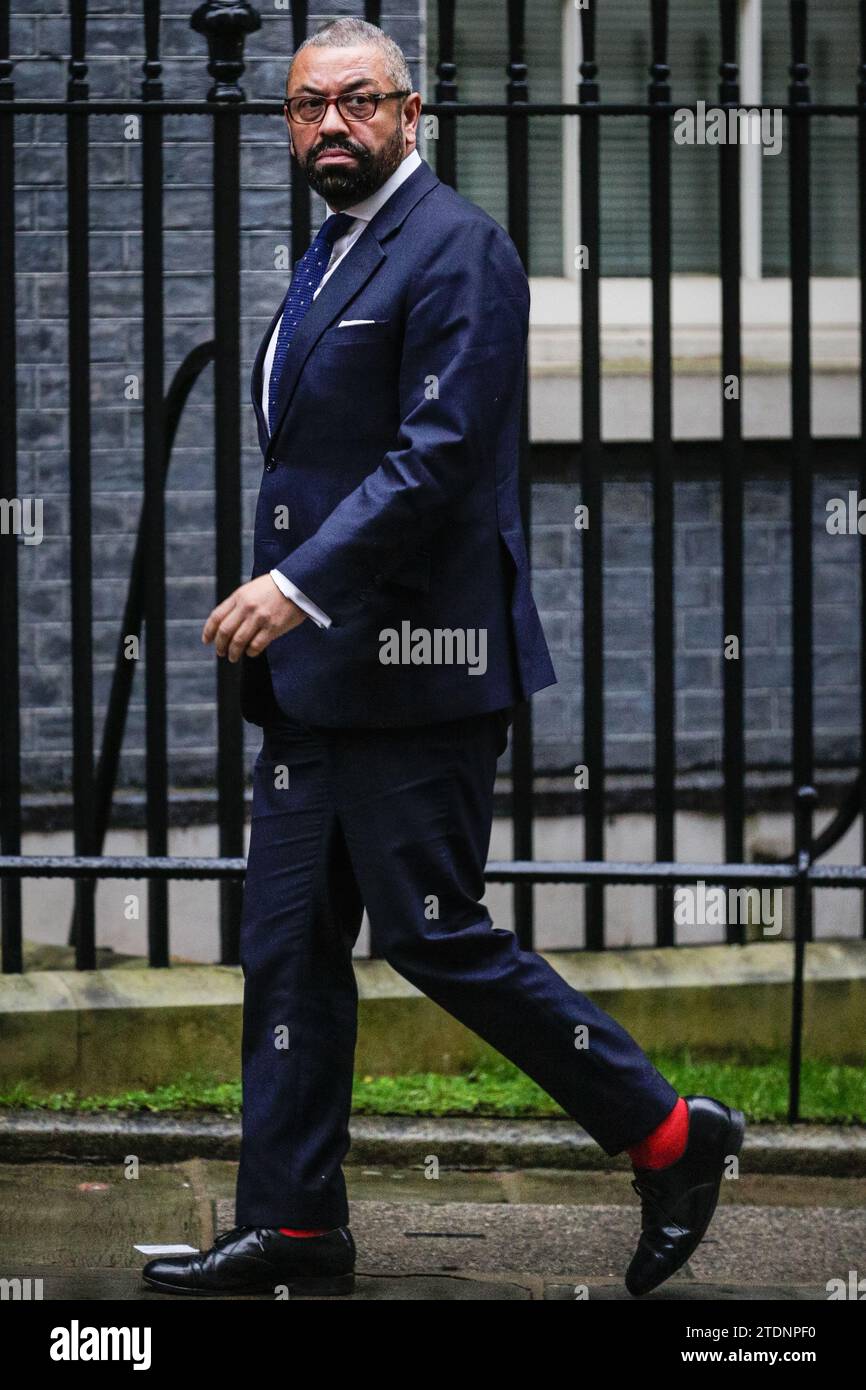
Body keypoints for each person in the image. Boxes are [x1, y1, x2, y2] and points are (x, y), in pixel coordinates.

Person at [142, 18, 744, 1300]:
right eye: (307, 108)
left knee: (435, 934)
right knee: (289, 947)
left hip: (418, 674)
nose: (331, 128)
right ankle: (295, 1225)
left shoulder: (457, 248)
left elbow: (439, 459)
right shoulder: (330, 255)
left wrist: (296, 585)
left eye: (357, 103)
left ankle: (666, 1132)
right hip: (317, 691)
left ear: (412, 114)